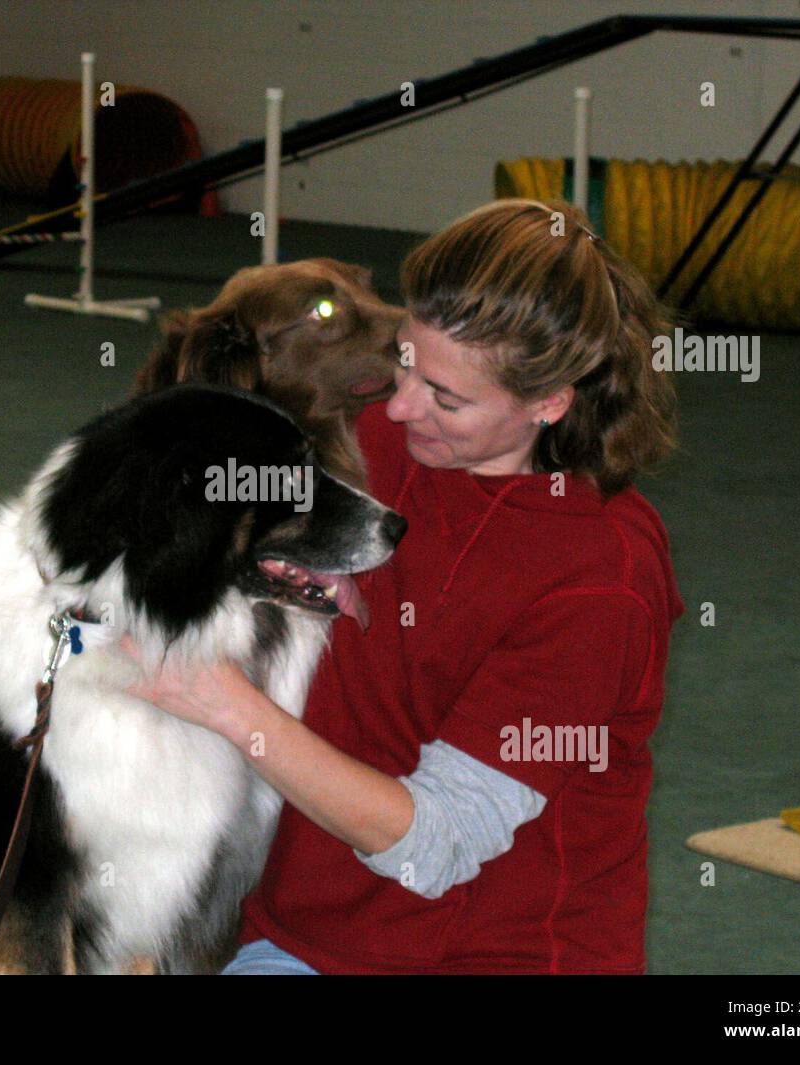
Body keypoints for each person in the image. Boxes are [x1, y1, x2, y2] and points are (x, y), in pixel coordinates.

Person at [120, 199, 684, 974]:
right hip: (300, 934)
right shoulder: (384, 438)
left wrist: (226, 703)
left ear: (551, 404)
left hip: (487, 956)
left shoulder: (599, 581)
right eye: (409, 357)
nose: (397, 404)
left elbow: (435, 844)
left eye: (446, 397)